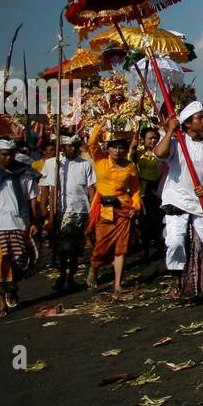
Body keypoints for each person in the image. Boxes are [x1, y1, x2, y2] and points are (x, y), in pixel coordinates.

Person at [155, 101, 203, 303]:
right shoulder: (177, 143)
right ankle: (178, 283)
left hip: (202, 204)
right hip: (177, 200)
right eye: (199, 118)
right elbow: (160, 154)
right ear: (187, 124)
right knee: (176, 242)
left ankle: (195, 284)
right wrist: (170, 131)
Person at [0, 139, 40, 318]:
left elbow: (32, 198)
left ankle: (12, 287)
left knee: (18, 260)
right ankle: (0, 302)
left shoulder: (25, 171)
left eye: (11, 154)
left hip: (18, 222)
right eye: (4, 154)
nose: (8, 158)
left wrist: (34, 221)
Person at [87, 124, 141, 294]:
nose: (118, 151)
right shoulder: (100, 161)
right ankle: (94, 268)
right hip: (104, 209)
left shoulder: (130, 166)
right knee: (101, 247)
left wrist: (136, 206)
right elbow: (91, 144)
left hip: (124, 209)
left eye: (121, 148)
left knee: (121, 248)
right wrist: (101, 126)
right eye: (114, 147)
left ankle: (118, 284)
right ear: (108, 149)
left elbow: (135, 190)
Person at [41, 134, 96, 294]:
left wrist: (93, 210)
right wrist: (50, 213)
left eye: (74, 145)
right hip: (62, 210)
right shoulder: (57, 165)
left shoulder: (85, 164)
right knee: (63, 247)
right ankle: (63, 275)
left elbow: (91, 188)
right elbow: (51, 190)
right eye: (68, 146)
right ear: (63, 148)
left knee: (75, 248)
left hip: (81, 210)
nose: (71, 149)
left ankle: (71, 276)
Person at [133, 126, 164, 263]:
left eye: (155, 138)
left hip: (159, 188)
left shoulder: (162, 152)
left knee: (159, 219)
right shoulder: (138, 153)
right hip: (144, 189)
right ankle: (145, 251)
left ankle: (160, 245)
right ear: (143, 140)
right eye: (150, 138)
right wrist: (132, 149)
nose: (153, 140)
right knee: (145, 221)